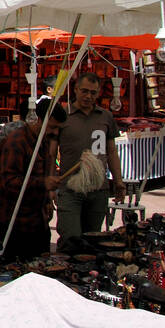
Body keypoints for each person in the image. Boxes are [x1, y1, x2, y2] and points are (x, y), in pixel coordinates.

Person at [0, 97, 65, 261]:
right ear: (39, 120)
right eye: (52, 127)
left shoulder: (44, 141)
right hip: (11, 217)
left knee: (40, 260)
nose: (55, 132)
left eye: (58, 129)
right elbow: (10, 182)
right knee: (16, 266)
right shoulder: (16, 142)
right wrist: (43, 183)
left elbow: (43, 171)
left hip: (34, 217)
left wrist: (47, 200)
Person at [55, 71, 125, 242]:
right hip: (69, 188)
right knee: (70, 238)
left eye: (93, 92)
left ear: (99, 93)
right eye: (84, 91)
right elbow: (51, 151)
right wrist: (51, 184)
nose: (88, 96)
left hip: (98, 189)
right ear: (76, 89)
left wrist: (118, 181)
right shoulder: (63, 115)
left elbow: (112, 152)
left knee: (93, 238)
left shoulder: (106, 116)